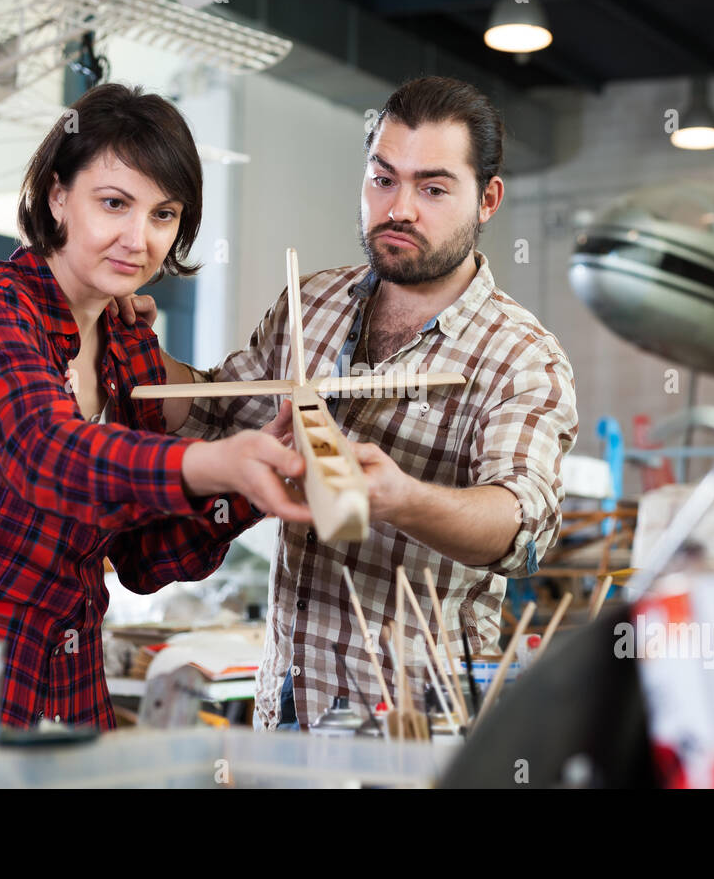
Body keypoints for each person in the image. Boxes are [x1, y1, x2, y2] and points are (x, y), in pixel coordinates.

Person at [0, 83, 311, 730]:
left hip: (58, 682)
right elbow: (49, 456)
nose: (138, 238)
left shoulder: (129, 344)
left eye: (163, 214)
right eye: (114, 203)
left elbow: (144, 559)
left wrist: (262, 482)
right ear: (58, 196)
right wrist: (217, 460)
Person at [116, 76, 578, 729]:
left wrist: (403, 498)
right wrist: (122, 343)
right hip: (287, 712)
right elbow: (214, 412)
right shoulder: (312, 304)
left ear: (488, 199)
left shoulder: (522, 355)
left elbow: (525, 532)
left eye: (434, 188)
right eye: (382, 179)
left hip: (416, 730)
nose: (400, 208)